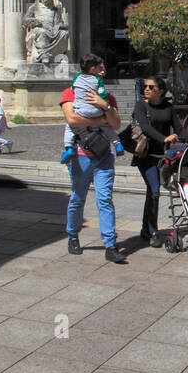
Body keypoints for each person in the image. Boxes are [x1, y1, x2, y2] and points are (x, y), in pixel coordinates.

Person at [61, 53, 127, 264]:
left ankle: (110, 244)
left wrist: (104, 105)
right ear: (90, 68)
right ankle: (72, 235)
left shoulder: (107, 96)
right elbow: (72, 119)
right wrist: (101, 118)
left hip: (103, 156)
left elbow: (116, 125)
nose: (103, 71)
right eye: (100, 68)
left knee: (105, 199)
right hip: (81, 157)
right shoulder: (69, 92)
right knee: (77, 198)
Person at [125, 76, 183, 246]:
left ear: (161, 91)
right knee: (154, 191)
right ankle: (153, 232)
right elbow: (145, 128)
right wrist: (164, 138)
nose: (146, 89)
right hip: (146, 156)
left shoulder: (168, 107)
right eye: (145, 86)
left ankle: (145, 228)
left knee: (152, 193)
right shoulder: (141, 105)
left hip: (163, 156)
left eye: (151, 87)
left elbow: (178, 129)